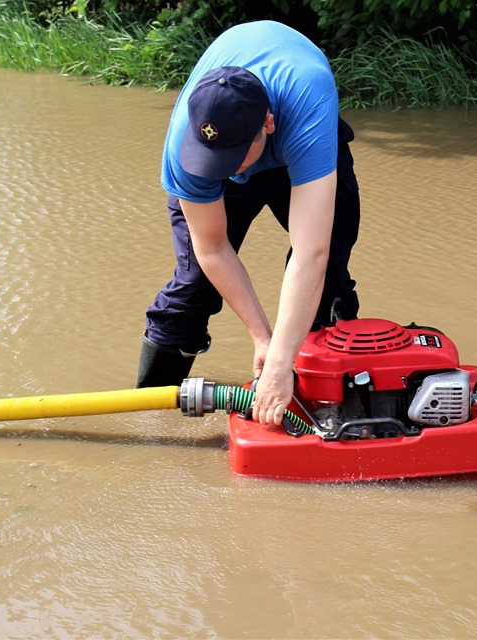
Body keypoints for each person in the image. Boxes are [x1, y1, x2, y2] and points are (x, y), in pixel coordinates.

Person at [136, 20, 360, 427]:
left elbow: (312, 253)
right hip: (237, 140)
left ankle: (321, 413)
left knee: (327, 279)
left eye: (233, 157)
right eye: (213, 160)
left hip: (295, 146)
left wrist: (279, 363)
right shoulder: (186, 148)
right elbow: (212, 248)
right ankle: (150, 416)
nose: (226, 172)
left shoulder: (304, 110)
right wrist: (263, 338)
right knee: (194, 286)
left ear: (267, 125)